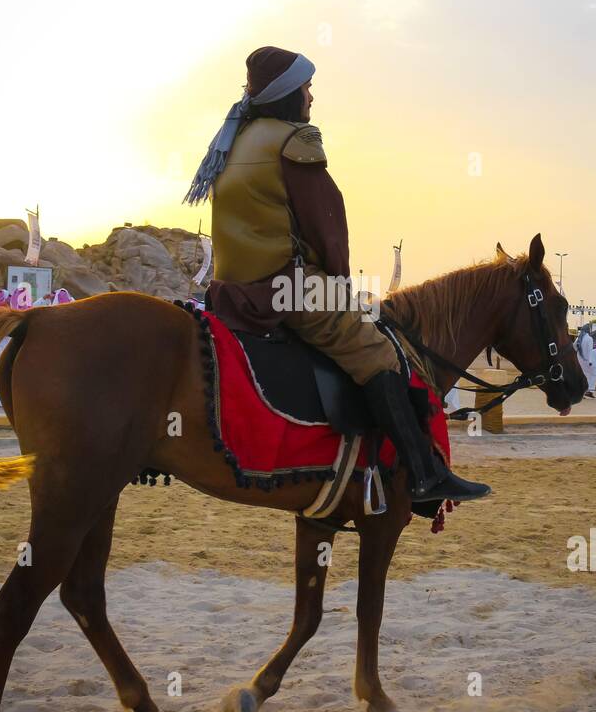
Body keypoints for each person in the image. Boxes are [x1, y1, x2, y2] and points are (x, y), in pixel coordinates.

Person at [194, 45, 487, 504]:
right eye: (307, 88)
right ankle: (424, 475)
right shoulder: (295, 139)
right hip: (286, 290)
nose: (312, 97)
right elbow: (328, 231)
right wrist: (338, 283)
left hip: (231, 291)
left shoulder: (233, 141)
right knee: (379, 354)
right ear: (290, 93)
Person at [576, 322, 596, 398]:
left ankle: (582, 391)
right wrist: (590, 361)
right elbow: (590, 350)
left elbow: (574, 347)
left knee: (584, 375)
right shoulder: (589, 338)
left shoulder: (578, 338)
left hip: (580, 360)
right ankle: (590, 391)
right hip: (587, 361)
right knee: (594, 374)